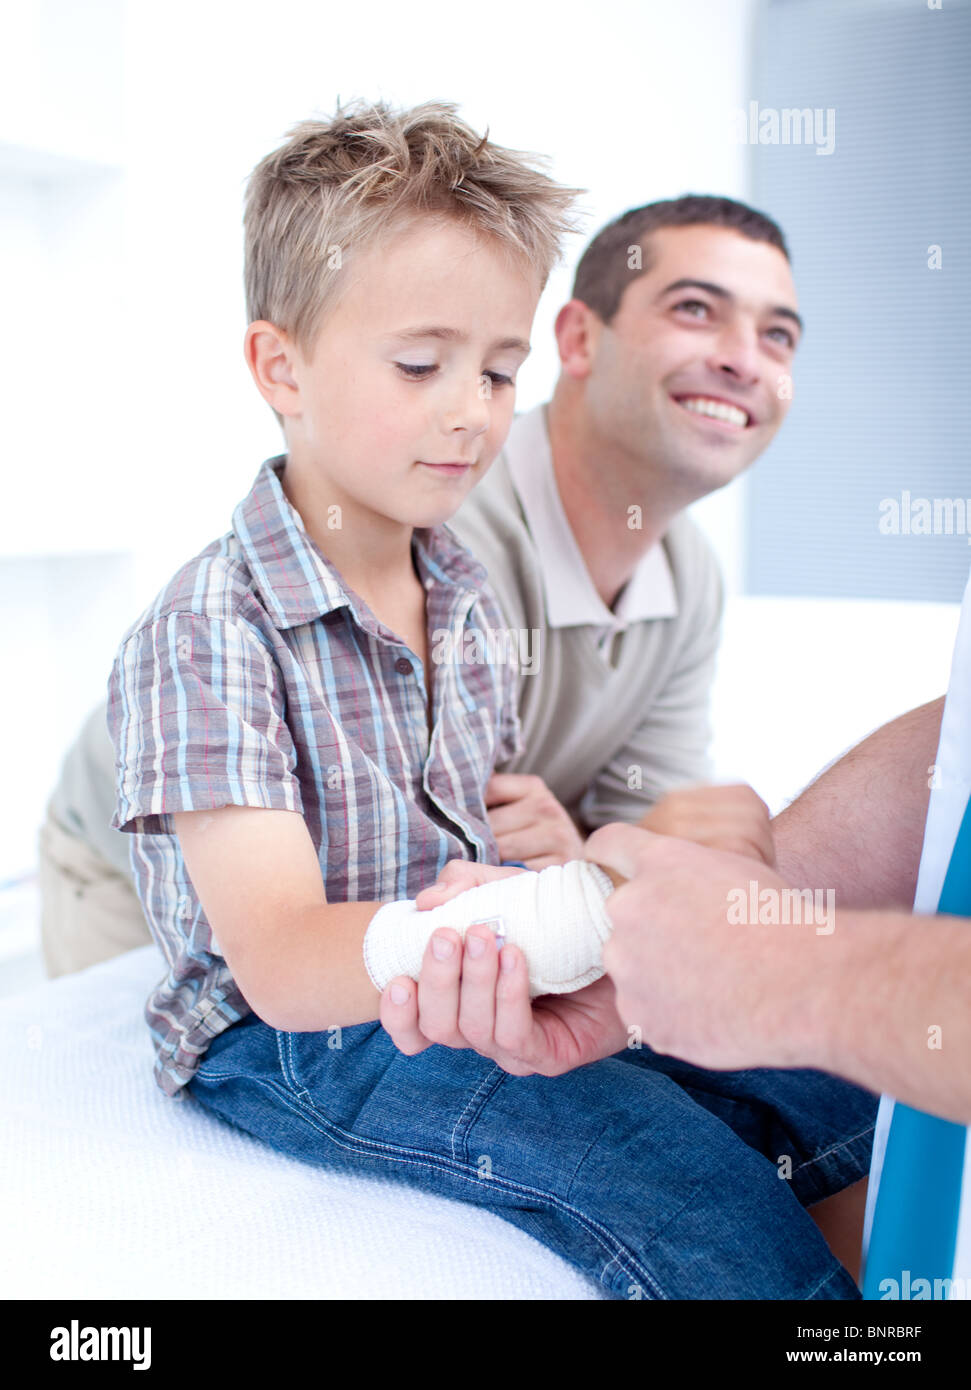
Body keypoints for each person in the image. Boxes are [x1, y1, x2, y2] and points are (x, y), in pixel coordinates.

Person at [104, 98, 874, 1300]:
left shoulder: (456, 585)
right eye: (421, 364)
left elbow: (473, 835)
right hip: (296, 1033)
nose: (473, 408)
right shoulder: (207, 631)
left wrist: (563, 905)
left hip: (454, 959)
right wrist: (555, 917)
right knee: (657, 1164)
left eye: (499, 369)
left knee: (823, 1080)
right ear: (279, 366)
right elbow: (280, 964)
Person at [41, 191, 801, 972]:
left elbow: (618, 834)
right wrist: (588, 886)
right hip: (168, 877)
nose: (744, 357)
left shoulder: (686, 578)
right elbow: (306, 937)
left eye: (778, 335)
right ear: (577, 338)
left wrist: (584, 863)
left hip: (384, 924)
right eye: (696, 310)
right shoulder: (429, 505)